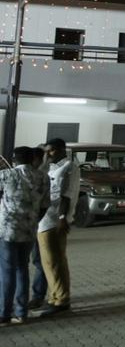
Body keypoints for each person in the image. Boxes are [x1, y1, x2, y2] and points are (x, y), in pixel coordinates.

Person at [1, 147, 51, 325]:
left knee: (7, 271)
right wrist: (34, 220)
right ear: (32, 159)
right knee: (22, 268)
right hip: (29, 230)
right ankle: (21, 312)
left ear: (14, 159)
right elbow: (45, 204)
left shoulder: (6, 175)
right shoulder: (43, 177)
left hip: (7, 230)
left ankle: (4, 313)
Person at [36, 138, 80, 317]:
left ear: (62, 149)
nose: (48, 154)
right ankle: (54, 297)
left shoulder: (69, 167)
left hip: (54, 221)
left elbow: (65, 195)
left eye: (52, 151)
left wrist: (62, 218)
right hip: (44, 221)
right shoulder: (51, 167)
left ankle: (61, 300)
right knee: (49, 262)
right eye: (46, 151)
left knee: (55, 262)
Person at [28, 147, 48, 310]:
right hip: (30, 225)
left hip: (39, 226)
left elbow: (45, 204)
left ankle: (38, 296)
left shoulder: (44, 175)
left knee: (39, 261)